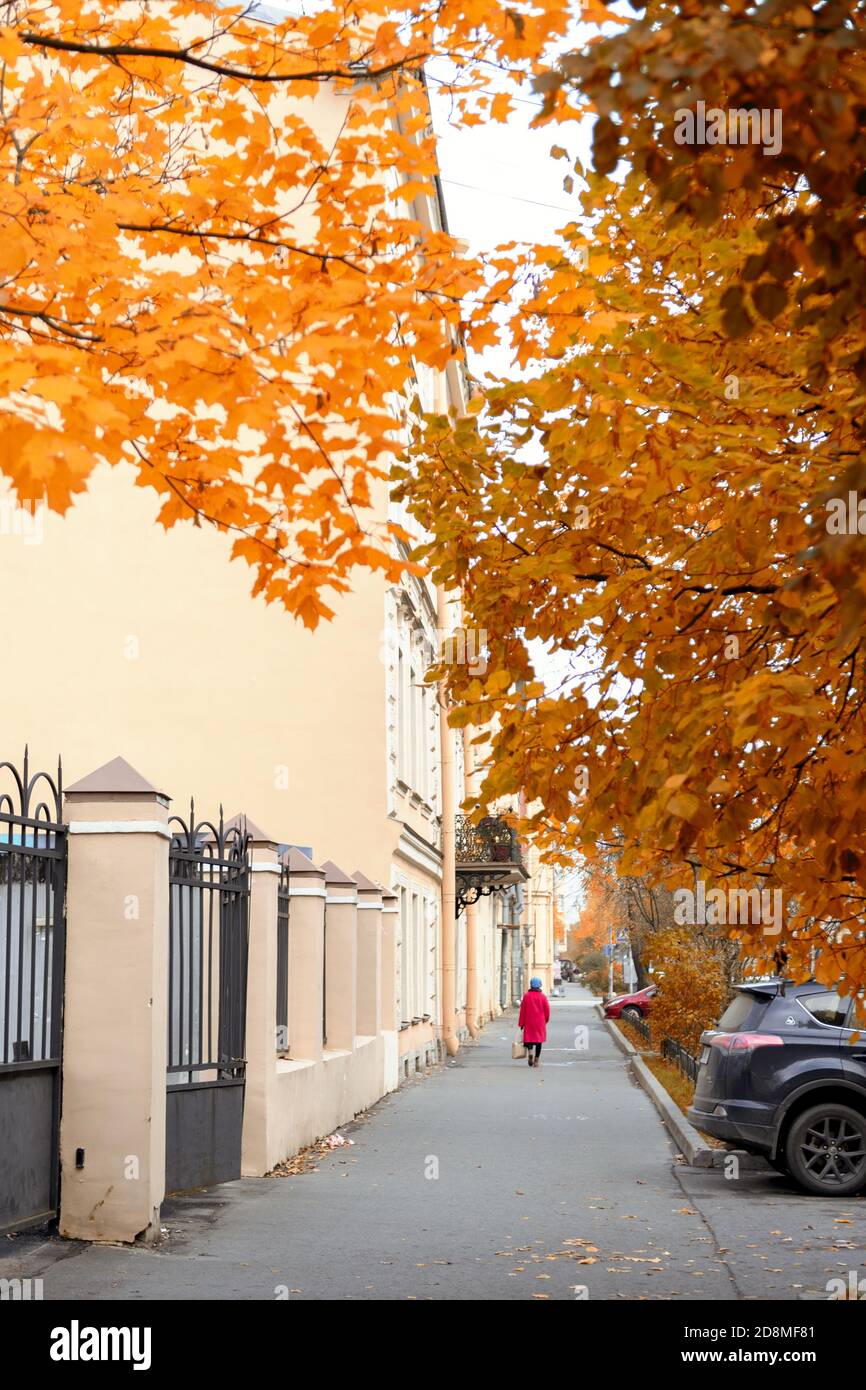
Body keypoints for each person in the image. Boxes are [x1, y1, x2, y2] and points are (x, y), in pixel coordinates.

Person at [518, 976, 550, 1068]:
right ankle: (536, 1060)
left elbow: (522, 1010)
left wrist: (521, 1023)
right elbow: (547, 1010)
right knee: (539, 1041)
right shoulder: (543, 997)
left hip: (529, 1021)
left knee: (529, 1039)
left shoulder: (526, 996)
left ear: (531, 985)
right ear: (540, 985)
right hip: (540, 1022)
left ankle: (530, 1052)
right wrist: (546, 1020)